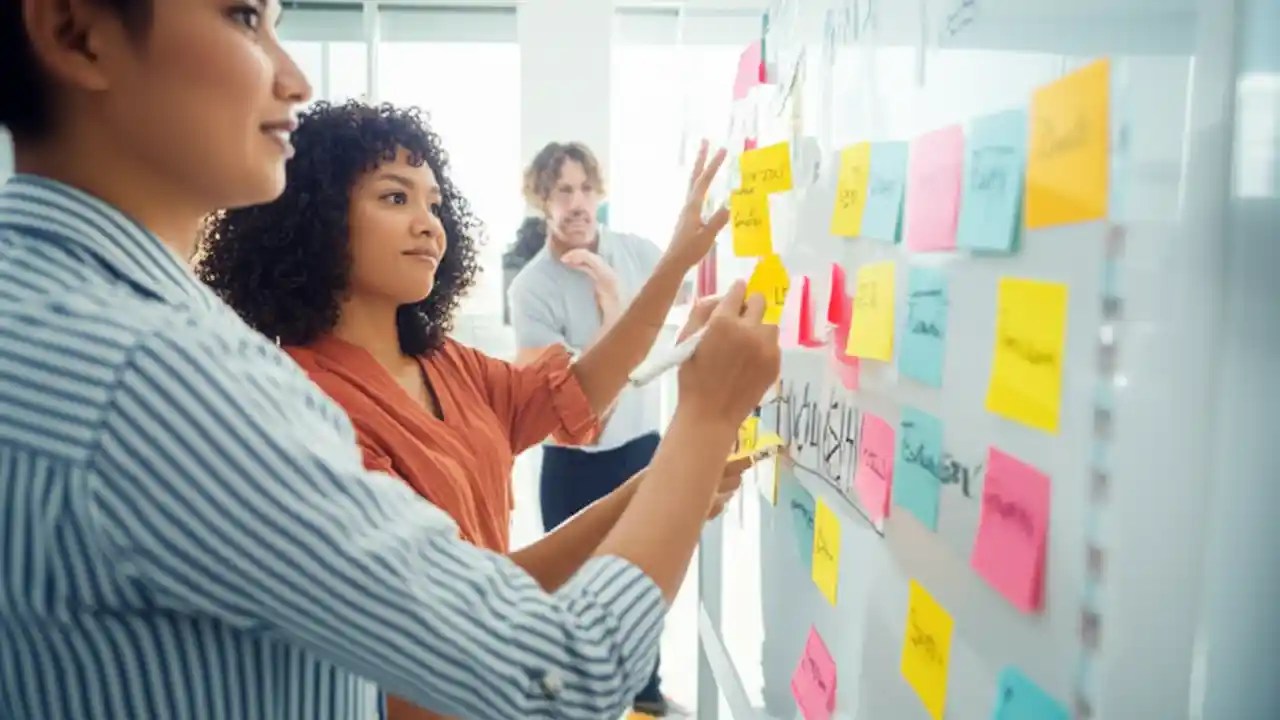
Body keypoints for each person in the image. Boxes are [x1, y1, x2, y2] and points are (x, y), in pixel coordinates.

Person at [0, 2, 780, 720]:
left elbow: (565, 398)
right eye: (242, 17)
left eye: (433, 203)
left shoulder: (62, 316)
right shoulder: (174, 383)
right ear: (75, 30)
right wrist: (704, 421)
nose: (294, 79)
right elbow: (555, 676)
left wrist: (666, 464)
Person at [196, 101, 746, 719]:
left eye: (434, 204)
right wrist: (671, 479)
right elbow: (472, 609)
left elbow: (575, 389)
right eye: (395, 198)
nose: (429, 224)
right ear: (317, 219)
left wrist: (675, 263)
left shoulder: (445, 363)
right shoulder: (306, 408)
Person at [509, 140, 684, 715]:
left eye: (586, 188)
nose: (577, 202)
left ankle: (646, 698)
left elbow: (678, 327)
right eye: (563, 190)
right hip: (572, 465)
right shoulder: (531, 288)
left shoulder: (639, 253)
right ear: (543, 200)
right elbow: (576, 405)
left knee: (644, 585)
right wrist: (614, 309)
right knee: (572, 596)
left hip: (641, 450)